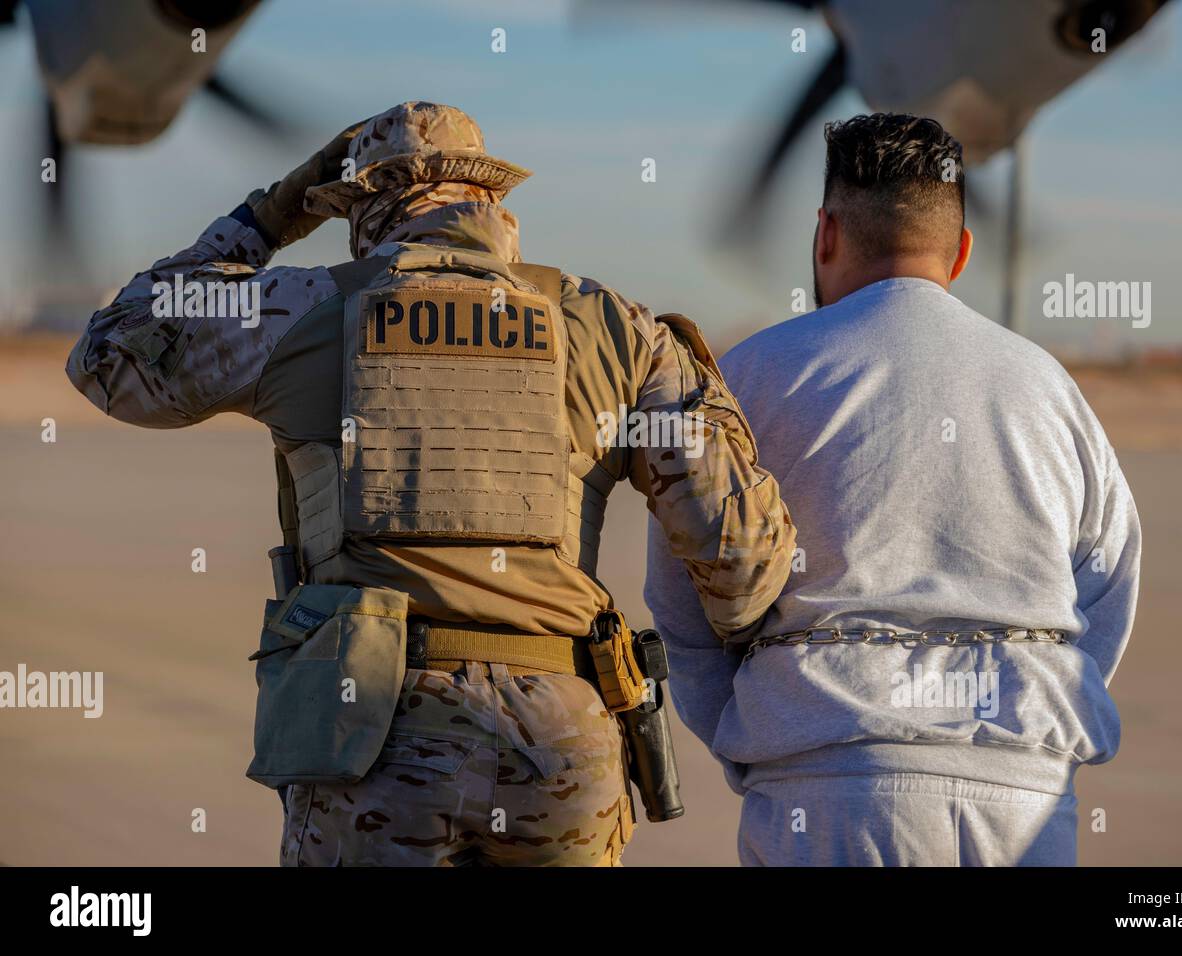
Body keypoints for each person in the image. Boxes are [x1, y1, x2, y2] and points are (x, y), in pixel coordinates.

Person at [66, 101, 795, 866]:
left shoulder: (304, 309)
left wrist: (270, 215)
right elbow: (740, 571)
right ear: (492, 201)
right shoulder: (618, 330)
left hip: (369, 733)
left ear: (364, 205)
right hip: (562, 747)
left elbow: (108, 357)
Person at [645, 112, 1141, 866]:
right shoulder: (1047, 386)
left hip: (828, 789)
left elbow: (684, 598)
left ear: (826, 235)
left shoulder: (748, 379)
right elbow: (1108, 583)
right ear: (963, 250)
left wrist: (768, 732)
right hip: (1027, 801)